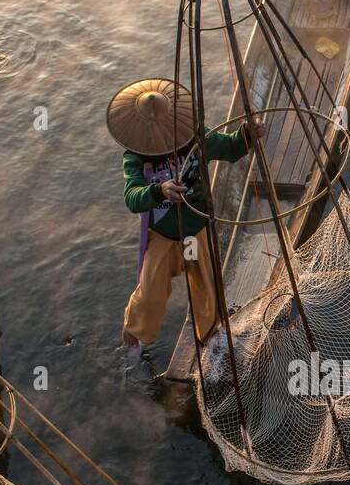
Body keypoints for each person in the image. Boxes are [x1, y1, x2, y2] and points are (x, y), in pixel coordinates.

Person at [106, 78, 264, 350]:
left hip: (195, 230)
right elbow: (132, 198)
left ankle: (209, 337)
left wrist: (248, 135)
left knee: (206, 288)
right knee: (150, 294)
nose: (160, 138)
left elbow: (228, 148)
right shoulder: (136, 156)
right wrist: (159, 190)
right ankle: (134, 331)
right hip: (164, 234)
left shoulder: (195, 135)